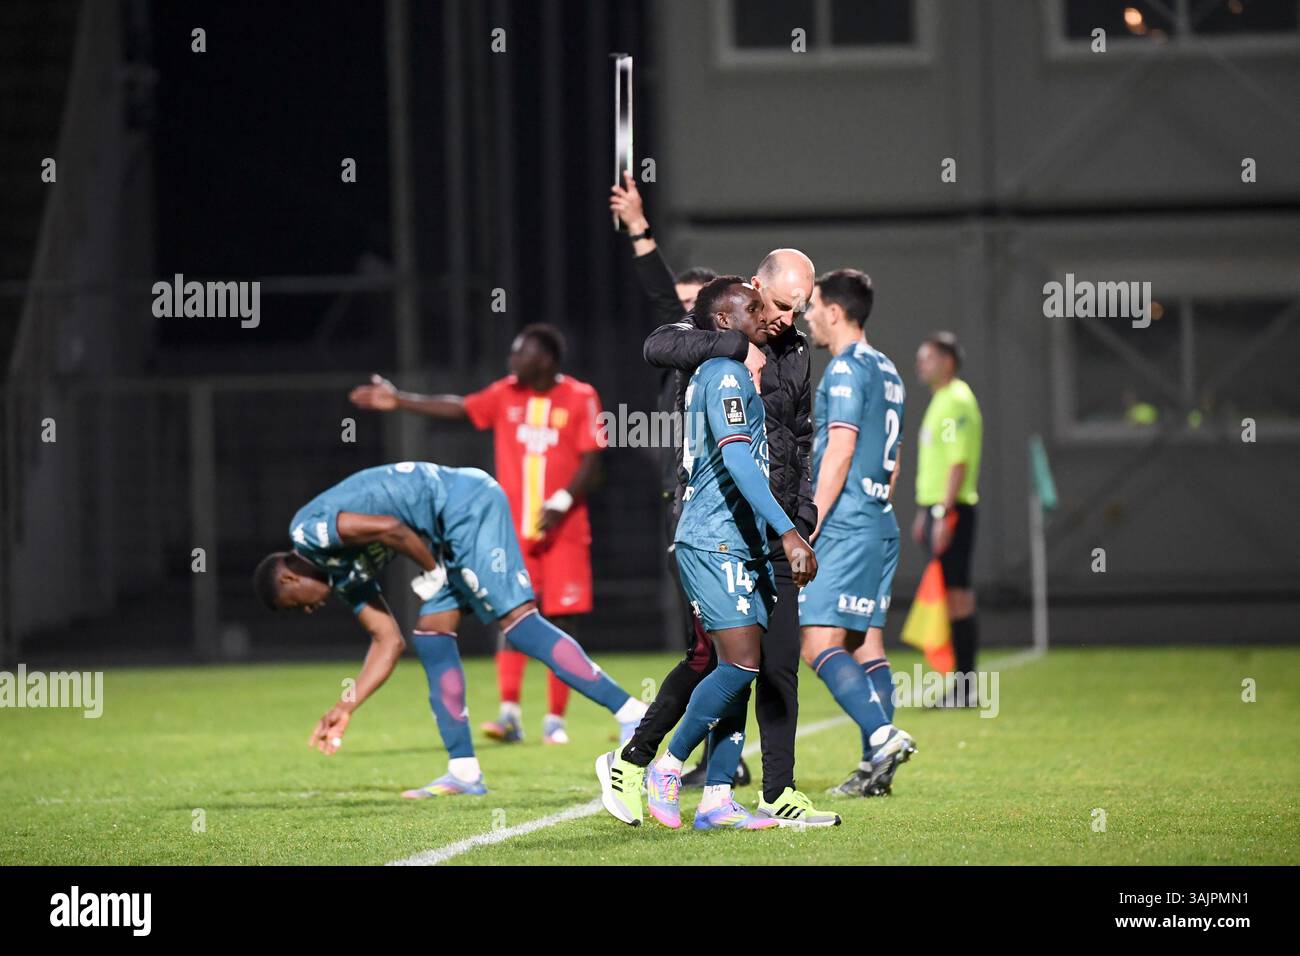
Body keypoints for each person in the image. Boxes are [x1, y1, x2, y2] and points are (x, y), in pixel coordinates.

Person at [606, 173, 835, 825]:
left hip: (757, 529)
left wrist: (799, 521)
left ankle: (728, 799)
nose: (787, 321)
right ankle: (654, 763)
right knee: (721, 660)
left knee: (765, 660)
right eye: (777, 308)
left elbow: (797, 435)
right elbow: (664, 339)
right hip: (714, 531)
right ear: (749, 301)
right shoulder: (724, 360)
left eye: (797, 309)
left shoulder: (779, 355)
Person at [252, 462, 646, 797]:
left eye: (296, 604)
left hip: (467, 504)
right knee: (430, 636)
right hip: (444, 536)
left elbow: (392, 529)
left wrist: (431, 570)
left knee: (518, 622)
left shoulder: (306, 533)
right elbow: (387, 640)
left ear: (288, 579)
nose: (308, 608)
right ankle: (463, 771)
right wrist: (345, 706)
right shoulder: (342, 576)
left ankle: (631, 713)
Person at [348, 324, 601, 745]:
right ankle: (508, 715)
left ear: (545, 361)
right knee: (510, 615)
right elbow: (461, 408)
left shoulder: (580, 396)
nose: (512, 361)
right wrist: (399, 401)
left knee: (563, 620)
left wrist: (560, 500)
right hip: (512, 532)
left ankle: (555, 720)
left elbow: (593, 460)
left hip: (564, 532)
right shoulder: (505, 394)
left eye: (521, 355)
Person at [800, 269, 917, 798]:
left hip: (846, 525)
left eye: (812, 307)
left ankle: (882, 735)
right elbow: (893, 461)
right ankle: (876, 767)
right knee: (866, 644)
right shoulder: (888, 368)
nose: (806, 317)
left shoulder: (845, 370)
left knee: (818, 644)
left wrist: (813, 522)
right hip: (878, 521)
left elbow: (842, 449)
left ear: (834, 312)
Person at [913, 332, 984, 706]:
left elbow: (958, 461)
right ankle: (960, 684)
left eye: (927, 358)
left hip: (953, 509)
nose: (920, 365)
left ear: (948, 361)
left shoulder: (956, 399)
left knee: (958, 596)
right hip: (939, 508)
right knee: (952, 595)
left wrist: (941, 511)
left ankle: (966, 686)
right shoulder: (942, 399)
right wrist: (926, 512)